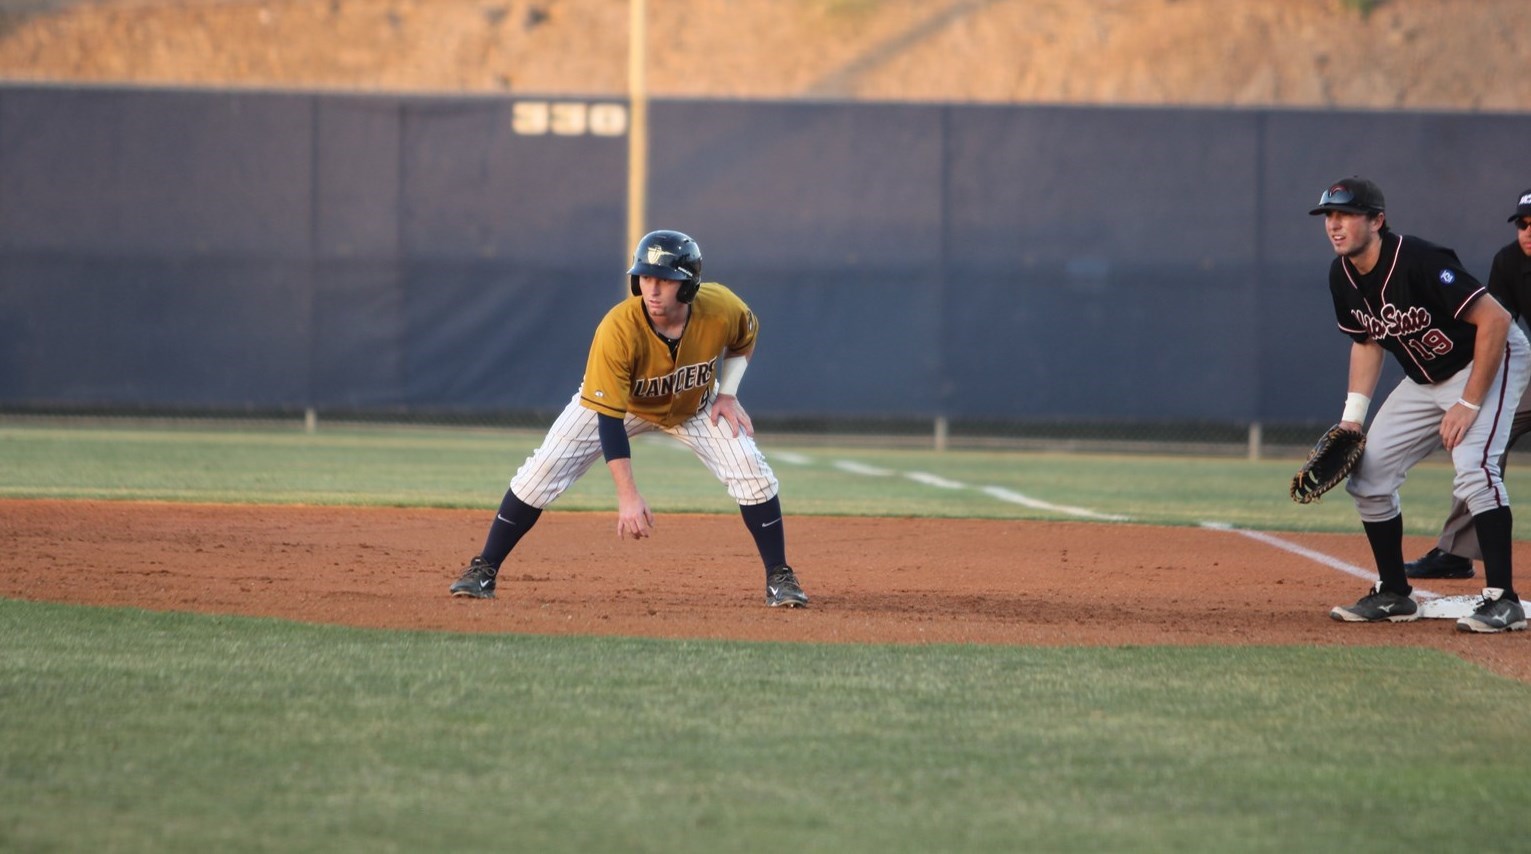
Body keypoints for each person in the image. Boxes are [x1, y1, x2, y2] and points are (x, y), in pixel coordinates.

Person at [448, 229, 809, 608]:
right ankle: (484, 568)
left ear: (687, 286)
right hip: (622, 405)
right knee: (542, 472)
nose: (652, 290)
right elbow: (608, 420)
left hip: (694, 406)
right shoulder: (617, 329)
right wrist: (628, 495)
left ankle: (779, 577)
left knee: (751, 469)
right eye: (645, 277)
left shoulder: (721, 307)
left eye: (665, 280)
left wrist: (728, 393)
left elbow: (744, 337)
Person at [1313, 177, 1529, 633]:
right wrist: (1352, 421)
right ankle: (1394, 592)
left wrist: (1470, 403)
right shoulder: (1342, 275)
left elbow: (1495, 318)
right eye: (1329, 216)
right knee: (1368, 474)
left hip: (1490, 357)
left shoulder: (1419, 260)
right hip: (1426, 378)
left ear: (1377, 220)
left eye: (1347, 215)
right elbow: (1367, 342)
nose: (1335, 225)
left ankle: (1503, 601)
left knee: (1475, 465)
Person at [1402, 188, 1531, 580]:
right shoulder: (1509, 262)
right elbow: (1498, 332)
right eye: (1523, 224)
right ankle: (1458, 552)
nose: (1527, 232)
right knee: (1480, 440)